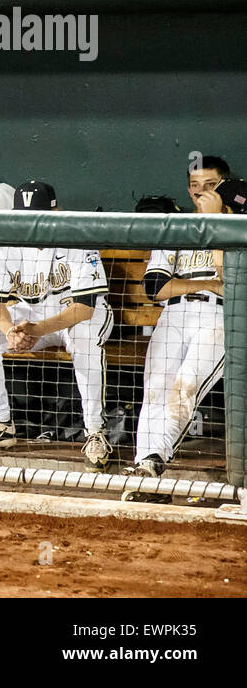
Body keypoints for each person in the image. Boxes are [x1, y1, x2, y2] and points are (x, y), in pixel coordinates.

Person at [0, 180, 115, 469]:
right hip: (31, 314)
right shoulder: (5, 239)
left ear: (55, 212)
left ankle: (96, 432)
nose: (32, 224)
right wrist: (10, 331)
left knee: (84, 341)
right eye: (25, 217)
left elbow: (83, 309)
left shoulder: (78, 235)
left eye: (39, 217)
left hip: (78, 315)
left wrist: (36, 330)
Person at [128, 159, 235, 490]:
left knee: (185, 386)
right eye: (195, 185)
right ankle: (146, 468)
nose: (201, 192)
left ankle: (151, 461)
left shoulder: (240, 225)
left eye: (211, 185)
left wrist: (216, 222)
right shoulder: (176, 227)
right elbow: (155, 288)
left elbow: (232, 282)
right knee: (156, 390)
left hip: (219, 317)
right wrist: (203, 285)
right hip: (173, 316)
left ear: (225, 186)